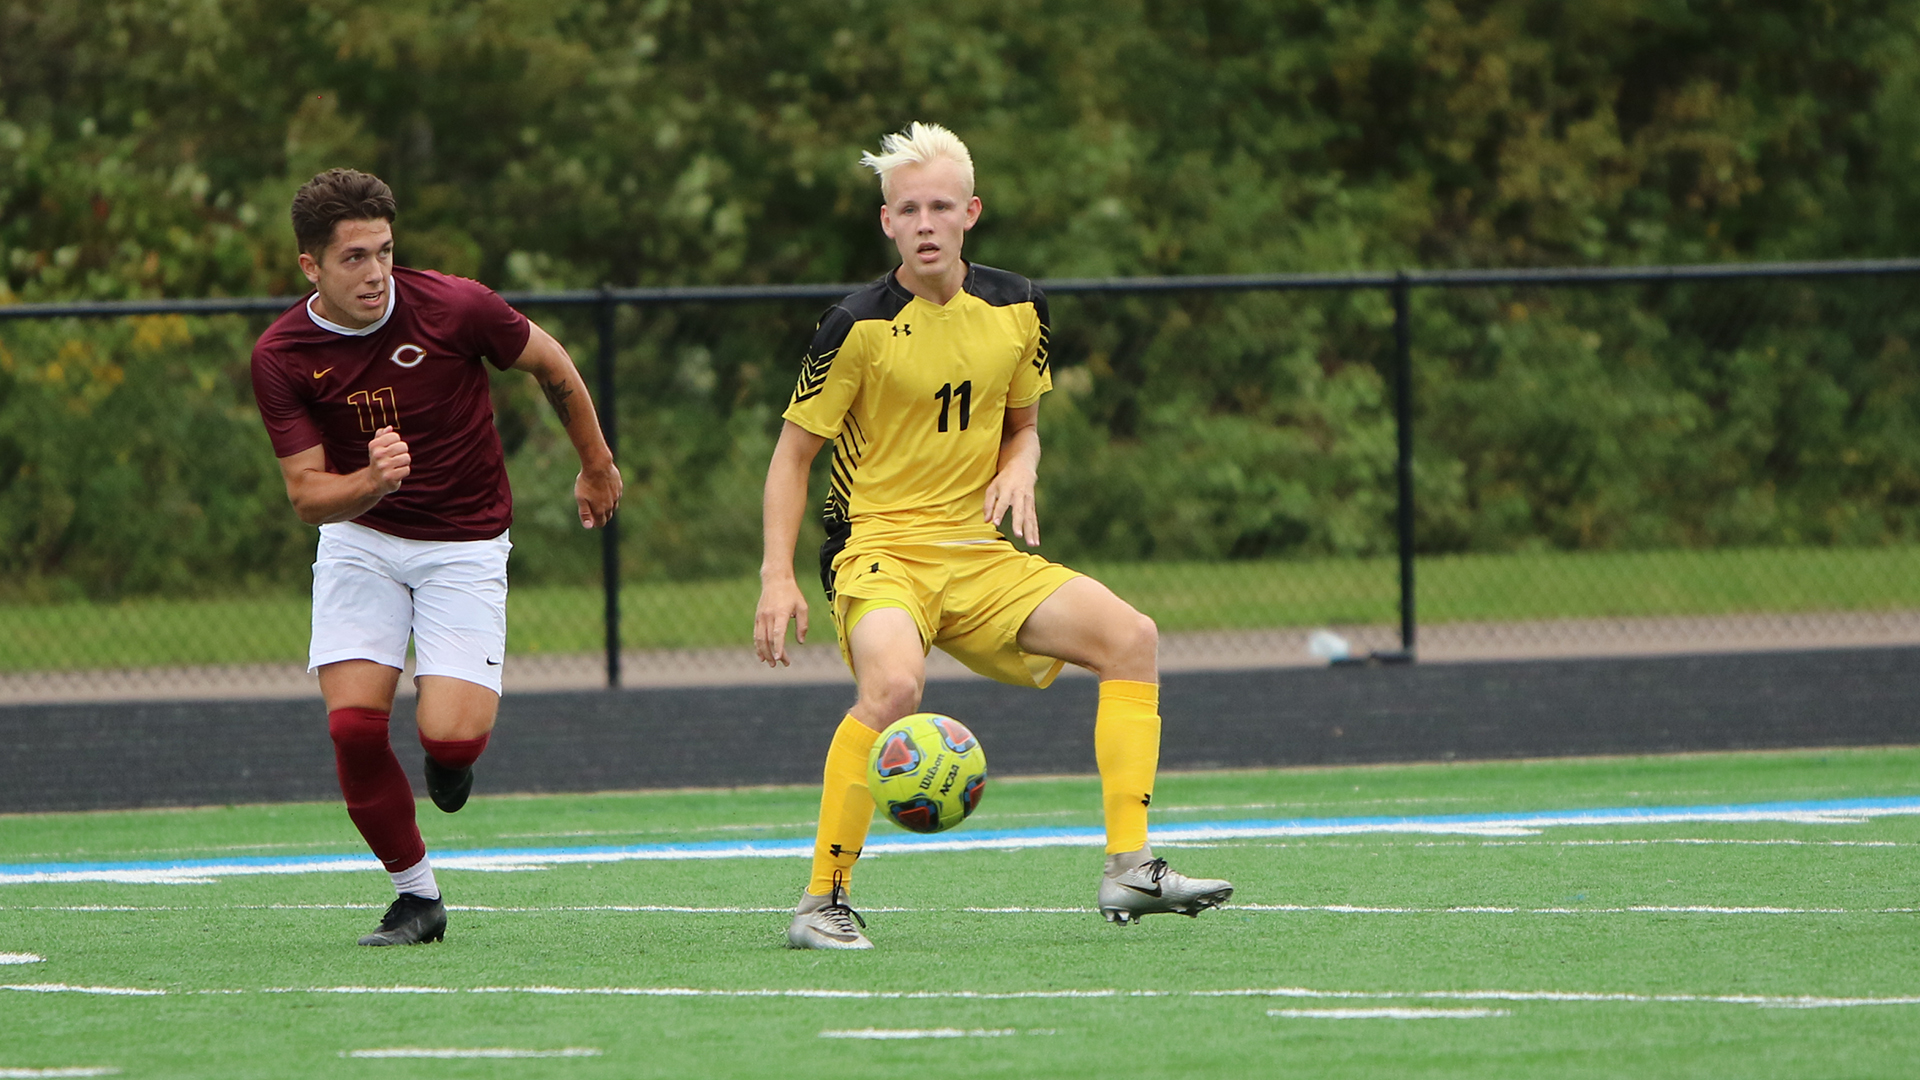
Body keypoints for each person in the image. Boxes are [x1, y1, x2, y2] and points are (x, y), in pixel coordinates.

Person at [754, 123, 1233, 950]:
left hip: (975, 552)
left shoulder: (1018, 306)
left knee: (1132, 639)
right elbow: (793, 457)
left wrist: (1023, 462)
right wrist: (776, 575)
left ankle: (1131, 865)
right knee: (895, 690)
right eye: (909, 209)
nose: (927, 221)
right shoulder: (854, 325)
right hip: (880, 552)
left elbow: (1023, 425)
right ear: (887, 224)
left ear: (971, 212)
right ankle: (820, 901)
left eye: (942, 205)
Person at [251, 168, 621, 946]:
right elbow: (308, 498)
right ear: (310, 267)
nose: (376, 272)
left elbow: (553, 366)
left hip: (465, 543)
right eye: (353, 257)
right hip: (361, 540)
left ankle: (449, 765)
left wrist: (595, 464)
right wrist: (371, 482)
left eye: (384, 251)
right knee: (353, 729)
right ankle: (416, 897)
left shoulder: (455, 305)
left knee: (451, 740)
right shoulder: (283, 354)